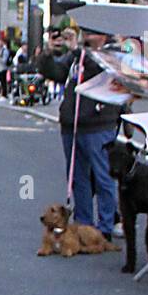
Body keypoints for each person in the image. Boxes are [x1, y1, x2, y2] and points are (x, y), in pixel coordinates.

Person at [35, 26, 118, 240]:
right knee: (77, 177)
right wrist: (49, 52)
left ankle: (106, 226)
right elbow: (53, 72)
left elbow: (99, 73)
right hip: (72, 125)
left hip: (99, 124)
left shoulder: (111, 53)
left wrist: (78, 50)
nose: (86, 37)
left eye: (91, 33)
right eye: (85, 33)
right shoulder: (76, 57)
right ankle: (84, 224)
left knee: (103, 176)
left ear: (103, 34)